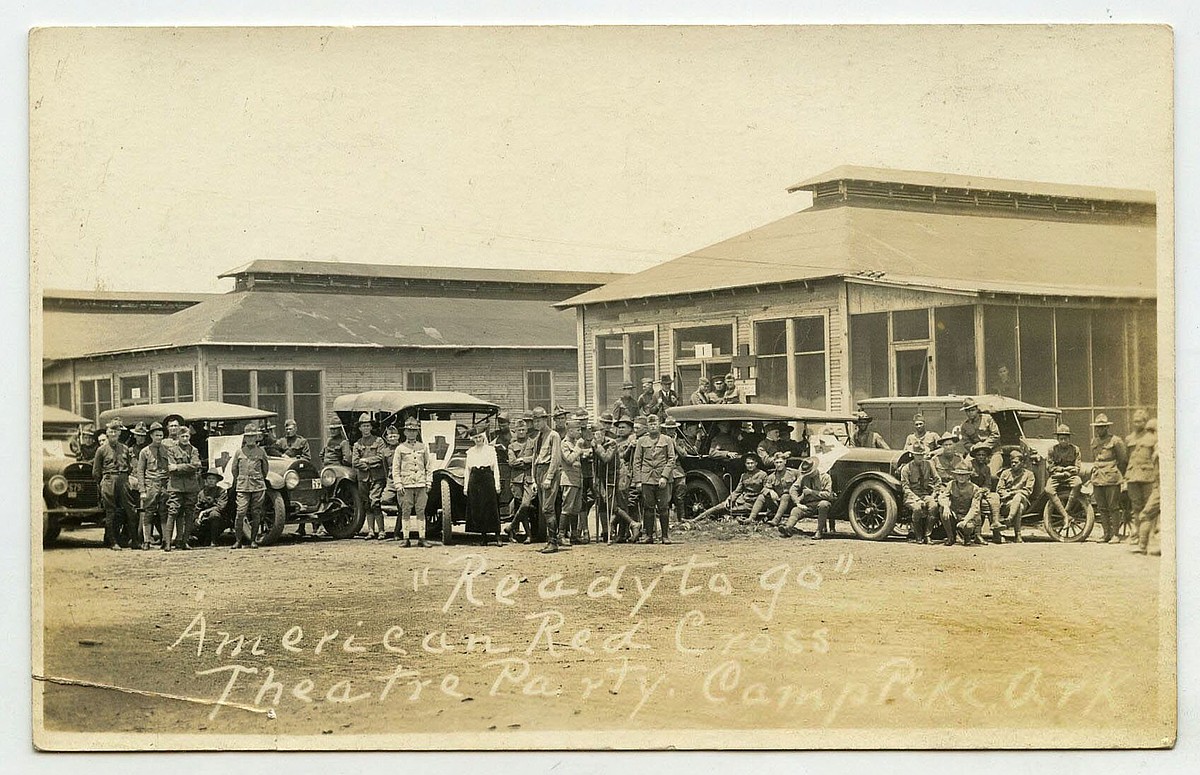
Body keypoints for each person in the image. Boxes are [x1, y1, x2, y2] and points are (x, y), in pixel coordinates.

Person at [633, 414, 677, 543]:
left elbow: (671, 459)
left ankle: (665, 535)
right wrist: (638, 480)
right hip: (647, 478)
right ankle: (649, 536)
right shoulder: (642, 441)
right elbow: (637, 461)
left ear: (659, 425)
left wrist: (664, 476)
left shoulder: (667, 440)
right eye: (650, 424)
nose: (653, 426)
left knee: (663, 507)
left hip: (662, 478)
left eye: (655, 423)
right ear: (647, 426)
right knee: (648, 507)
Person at [93, 420, 134, 550]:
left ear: (119, 433)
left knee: (129, 510)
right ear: (107, 433)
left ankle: (135, 540)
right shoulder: (101, 450)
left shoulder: (125, 448)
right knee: (111, 512)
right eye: (111, 431)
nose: (113, 434)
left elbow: (130, 466)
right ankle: (112, 541)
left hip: (123, 479)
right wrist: (103, 484)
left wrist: (124, 478)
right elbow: (96, 471)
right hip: (109, 479)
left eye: (116, 431)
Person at [392, 418, 432, 547]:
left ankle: (422, 538)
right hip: (406, 485)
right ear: (405, 433)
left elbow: (428, 466)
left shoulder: (423, 447)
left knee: (421, 511)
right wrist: (398, 484)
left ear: (417, 432)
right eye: (409, 431)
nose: (411, 433)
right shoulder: (400, 448)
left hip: (420, 484)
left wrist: (428, 482)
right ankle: (406, 538)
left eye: (414, 431)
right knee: (406, 511)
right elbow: (395, 468)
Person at [1089, 413, 1129, 543]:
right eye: (1097, 427)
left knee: (1113, 507)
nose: (1099, 430)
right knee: (1101, 507)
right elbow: (1094, 458)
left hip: (1111, 477)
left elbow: (1122, 460)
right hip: (1097, 478)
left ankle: (1115, 535)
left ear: (1107, 428)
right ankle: (1106, 534)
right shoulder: (1094, 441)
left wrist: (1120, 477)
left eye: (1102, 427)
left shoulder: (1115, 441)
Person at [530, 406, 564, 553]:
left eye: (539, 420)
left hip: (548, 472)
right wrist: (533, 478)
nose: (537, 424)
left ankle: (553, 542)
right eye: (535, 421)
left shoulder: (553, 435)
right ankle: (549, 540)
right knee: (544, 509)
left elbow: (555, 459)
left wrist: (549, 477)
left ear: (545, 420)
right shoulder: (538, 437)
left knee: (548, 508)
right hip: (538, 471)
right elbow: (534, 459)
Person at [230, 422, 269, 549]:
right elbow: (234, 470)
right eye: (248, 436)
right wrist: (240, 479)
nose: (251, 439)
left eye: (253, 436)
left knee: (256, 513)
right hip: (242, 486)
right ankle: (238, 540)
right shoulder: (239, 452)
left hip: (257, 486)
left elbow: (265, 469)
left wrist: (258, 478)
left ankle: (253, 540)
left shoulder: (261, 452)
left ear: (257, 437)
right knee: (240, 512)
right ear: (244, 438)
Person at [695, 454, 766, 522]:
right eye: (748, 463)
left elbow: (764, 491)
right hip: (741, 500)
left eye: (752, 463)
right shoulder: (744, 475)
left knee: (727, 510)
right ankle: (695, 520)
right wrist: (729, 499)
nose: (750, 465)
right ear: (745, 464)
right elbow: (737, 491)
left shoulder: (762, 474)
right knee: (719, 507)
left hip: (752, 503)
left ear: (756, 463)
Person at [164, 424, 202, 551]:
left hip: (191, 487)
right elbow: (171, 468)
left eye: (187, 436)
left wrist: (179, 467)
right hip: (176, 487)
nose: (185, 438)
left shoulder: (194, 450)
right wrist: (187, 467)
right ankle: (168, 543)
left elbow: (196, 465)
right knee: (172, 512)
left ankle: (184, 541)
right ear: (178, 437)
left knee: (189, 514)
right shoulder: (171, 450)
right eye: (183, 436)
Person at [463, 427, 502, 546]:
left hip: (487, 478)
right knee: (478, 508)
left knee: (491, 507)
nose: (478, 440)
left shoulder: (490, 450)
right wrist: (465, 487)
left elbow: (495, 468)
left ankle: (497, 536)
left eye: (480, 437)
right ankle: (483, 537)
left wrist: (497, 484)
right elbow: (467, 470)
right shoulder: (470, 452)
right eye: (476, 438)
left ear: (483, 437)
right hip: (475, 479)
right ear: (473, 439)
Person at [352, 413, 388, 540]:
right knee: (366, 504)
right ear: (360, 428)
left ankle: (382, 530)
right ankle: (371, 531)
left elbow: (381, 457)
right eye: (363, 426)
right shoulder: (357, 444)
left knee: (375, 502)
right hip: (363, 478)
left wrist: (366, 461)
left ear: (371, 427)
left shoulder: (379, 441)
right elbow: (355, 462)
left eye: (368, 426)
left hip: (377, 477)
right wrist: (367, 465)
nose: (366, 428)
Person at [780, 456, 835, 538]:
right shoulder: (803, 477)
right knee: (795, 510)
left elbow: (828, 494)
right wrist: (797, 503)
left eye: (810, 472)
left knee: (824, 504)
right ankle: (788, 527)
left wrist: (812, 492)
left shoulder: (825, 477)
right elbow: (793, 489)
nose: (808, 475)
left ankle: (819, 531)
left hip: (821, 503)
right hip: (807, 505)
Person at [1124, 410, 1157, 544]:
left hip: (1148, 477)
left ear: (1145, 422)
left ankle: (1149, 536)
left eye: (1140, 421)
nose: (1137, 424)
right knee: (1136, 507)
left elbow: (1156, 459)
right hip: (1132, 477)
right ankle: (1136, 534)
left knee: (1148, 508)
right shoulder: (1129, 439)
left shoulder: (1152, 438)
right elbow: (1125, 459)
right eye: (1135, 421)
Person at [135, 422, 170, 550]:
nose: (159, 438)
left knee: (164, 512)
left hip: (164, 484)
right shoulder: (145, 452)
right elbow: (140, 471)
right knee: (148, 513)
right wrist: (142, 490)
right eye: (156, 435)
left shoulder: (167, 450)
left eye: (161, 435)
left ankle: (166, 540)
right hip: (151, 484)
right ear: (151, 436)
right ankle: (146, 540)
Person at [1044, 423, 1084, 527]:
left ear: (1069, 439)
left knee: (1078, 483)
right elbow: (1050, 467)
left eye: (1065, 438)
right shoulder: (1052, 450)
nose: (1063, 441)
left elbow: (1077, 467)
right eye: (1061, 438)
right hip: (1056, 477)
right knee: (1048, 489)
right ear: (1057, 439)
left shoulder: (1075, 450)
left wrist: (1069, 472)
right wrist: (1063, 470)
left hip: (1070, 476)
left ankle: (1066, 510)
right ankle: (1065, 515)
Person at [901, 442, 941, 544]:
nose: (920, 457)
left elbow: (937, 480)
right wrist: (916, 499)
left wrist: (934, 494)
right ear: (912, 455)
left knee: (933, 506)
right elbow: (905, 488)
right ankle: (918, 535)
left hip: (925, 494)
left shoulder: (928, 465)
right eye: (917, 455)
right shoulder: (906, 469)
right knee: (917, 508)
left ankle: (927, 535)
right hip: (911, 496)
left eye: (921, 455)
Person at [1132, 419, 1160, 556]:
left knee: (1146, 514)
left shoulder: (1157, 448)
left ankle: (1142, 546)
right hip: (1157, 485)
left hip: (1159, 487)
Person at [967, 442, 1003, 544]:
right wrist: (977, 490)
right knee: (978, 502)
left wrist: (984, 490)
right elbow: (964, 481)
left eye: (983, 455)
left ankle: (996, 524)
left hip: (982, 492)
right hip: (970, 492)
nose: (981, 457)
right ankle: (978, 534)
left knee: (995, 496)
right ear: (975, 456)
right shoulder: (969, 465)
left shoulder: (986, 468)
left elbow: (988, 484)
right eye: (979, 455)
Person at [996, 449, 1035, 543]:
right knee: (1019, 507)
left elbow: (1027, 490)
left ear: (1022, 462)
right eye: (1012, 462)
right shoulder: (1005, 473)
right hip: (1007, 503)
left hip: (1023, 500)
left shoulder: (1029, 474)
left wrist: (1012, 493)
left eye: (1016, 462)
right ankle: (1018, 535)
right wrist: (1006, 494)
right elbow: (999, 489)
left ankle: (1009, 519)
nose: (1013, 464)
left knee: (1018, 496)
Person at [558, 419, 586, 546]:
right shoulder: (564, 444)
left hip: (577, 479)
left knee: (576, 508)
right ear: (570, 431)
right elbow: (569, 460)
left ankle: (574, 535)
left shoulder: (574, 443)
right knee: (567, 508)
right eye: (578, 430)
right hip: (568, 479)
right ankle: (561, 535)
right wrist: (578, 448)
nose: (580, 432)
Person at [940, 463, 983, 546]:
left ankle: (967, 537)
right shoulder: (951, 485)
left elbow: (975, 508)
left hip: (967, 516)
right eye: (959, 475)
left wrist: (965, 520)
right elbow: (942, 497)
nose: (961, 477)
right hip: (955, 514)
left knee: (969, 526)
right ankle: (950, 537)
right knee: (942, 510)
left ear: (968, 476)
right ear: (955, 476)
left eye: (964, 475)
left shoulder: (975, 488)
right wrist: (946, 506)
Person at [752, 452, 796, 525]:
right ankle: (751, 518)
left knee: (785, 496)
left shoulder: (793, 473)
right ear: (774, 464)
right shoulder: (772, 476)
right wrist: (771, 491)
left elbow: (801, 484)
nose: (778, 465)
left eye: (780, 462)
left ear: (785, 462)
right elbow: (764, 489)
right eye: (776, 462)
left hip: (790, 504)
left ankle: (776, 520)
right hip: (777, 504)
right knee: (761, 496)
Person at [375, 424, 401, 539]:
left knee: (402, 508)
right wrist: (388, 481)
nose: (392, 438)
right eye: (390, 437)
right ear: (386, 438)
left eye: (394, 436)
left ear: (398, 437)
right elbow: (385, 468)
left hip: (402, 479)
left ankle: (397, 532)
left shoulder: (402, 448)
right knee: (384, 500)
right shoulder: (385, 451)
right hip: (391, 480)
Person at [193, 470, 228, 547]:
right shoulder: (202, 493)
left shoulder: (221, 491)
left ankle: (214, 540)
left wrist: (205, 511)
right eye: (209, 478)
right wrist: (196, 518)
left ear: (217, 481)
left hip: (219, 519)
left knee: (214, 515)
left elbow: (221, 507)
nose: (211, 481)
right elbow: (197, 507)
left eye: (213, 479)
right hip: (204, 519)